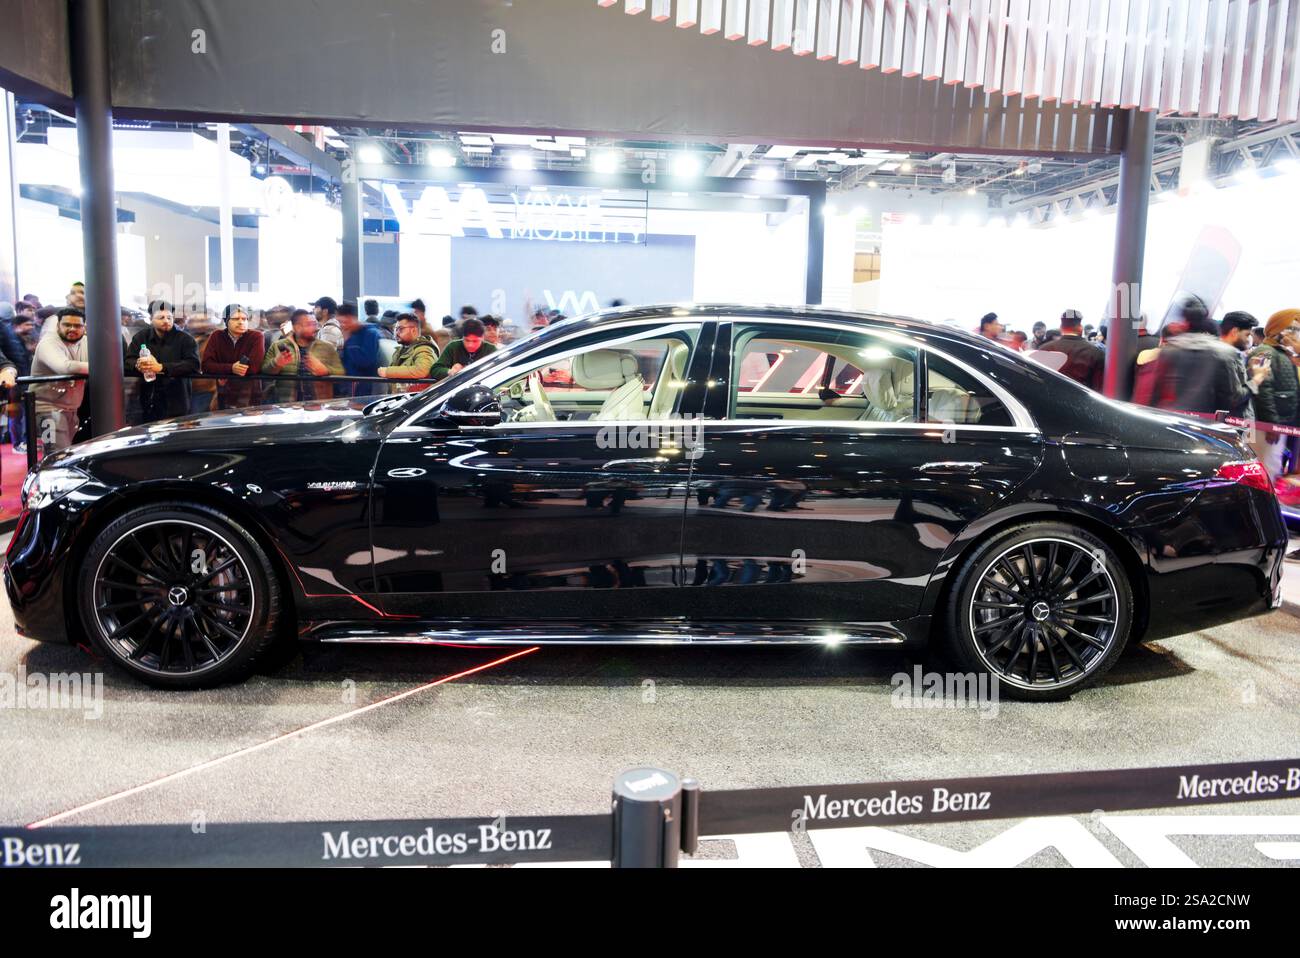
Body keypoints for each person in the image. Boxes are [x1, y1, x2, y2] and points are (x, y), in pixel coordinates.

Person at [1146, 295, 1266, 417]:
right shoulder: (1224, 353)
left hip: (1169, 419)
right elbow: (1231, 399)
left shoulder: (1169, 350)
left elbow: (1154, 393)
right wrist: (1256, 380)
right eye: (1247, 334)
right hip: (1205, 423)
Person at [124, 300, 201, 422]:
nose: (166, 321)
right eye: (161, 317)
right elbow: (128, 361)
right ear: (151, 319)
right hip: (148, 398)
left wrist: (161, 367)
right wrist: (138, 365)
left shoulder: (186, 339)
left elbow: (193, 364)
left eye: (169, 317)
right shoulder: (141, 337)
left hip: (176, 400)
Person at [1247, 308, 1300, 481]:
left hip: (1278, 425)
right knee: (1262, 472)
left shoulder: (1284, 355)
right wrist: (1271, 424)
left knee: (1271, 468)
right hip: (1264, 427)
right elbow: (1262, 391)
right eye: (1294, 329)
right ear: (1279, 330)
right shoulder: (1264, 352)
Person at [30, 307, 86, 450]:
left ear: (84, 327)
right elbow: (65, 367)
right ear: (57, 326)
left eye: (78, 325)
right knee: (57, 455)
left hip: (72, 409)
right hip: (48, 409)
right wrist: (100, 367)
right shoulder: (48, 342)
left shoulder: (85, 341)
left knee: (65, 455)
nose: (72, 329)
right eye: (67, 325)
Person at [261, 308, 343, 403]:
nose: (315, 328)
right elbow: (265, 371)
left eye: (315, 324)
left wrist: (325, 370)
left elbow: (340, 372)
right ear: (296, 327)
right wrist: (276, 363)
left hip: (319, 406)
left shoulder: (326, 347)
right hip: (287, 406)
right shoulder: (277, 346)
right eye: (309, 324)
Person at [202, 303, 267, 410]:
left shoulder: (256, 336)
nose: (241, 322)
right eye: (236, 319)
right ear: (226, 321)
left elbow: (254, 368)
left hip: (250, 396)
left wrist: (221, 369)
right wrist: (231, 368)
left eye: (244, 319)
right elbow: (206, 366)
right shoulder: (217, 336)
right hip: (224, 395)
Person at [1037, 309, 1104, 390]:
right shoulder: (1096, 353)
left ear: (1061, 328)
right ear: (1080, 328)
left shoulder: (1044, 349)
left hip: (1046, 400)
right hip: (1082, 401)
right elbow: (1099, 389)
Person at [377, 313, 437, 393]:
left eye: (400, 329)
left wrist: (388, 372)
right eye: (395, 329)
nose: (396, 333)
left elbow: (422, 370)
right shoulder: (403, 349)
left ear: (413, 330)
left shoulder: (424, 349)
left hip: (415, 401)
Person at [337, 301, 384, 398]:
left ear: (353, 318)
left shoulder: (371, 334)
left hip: (369, 388)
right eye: (340, 322)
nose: (342, 325)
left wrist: (348, 340)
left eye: (344, 322)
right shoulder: (351, 334)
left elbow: (366, 361)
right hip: (352, 387)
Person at [430, 317, 497, 381]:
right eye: (467, 340)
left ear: (482, 338)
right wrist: (449, 371)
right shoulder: (453, 347)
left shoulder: (491, 350)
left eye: (475, 341)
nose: (470, 345)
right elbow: (435, 369)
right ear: (462, 337)